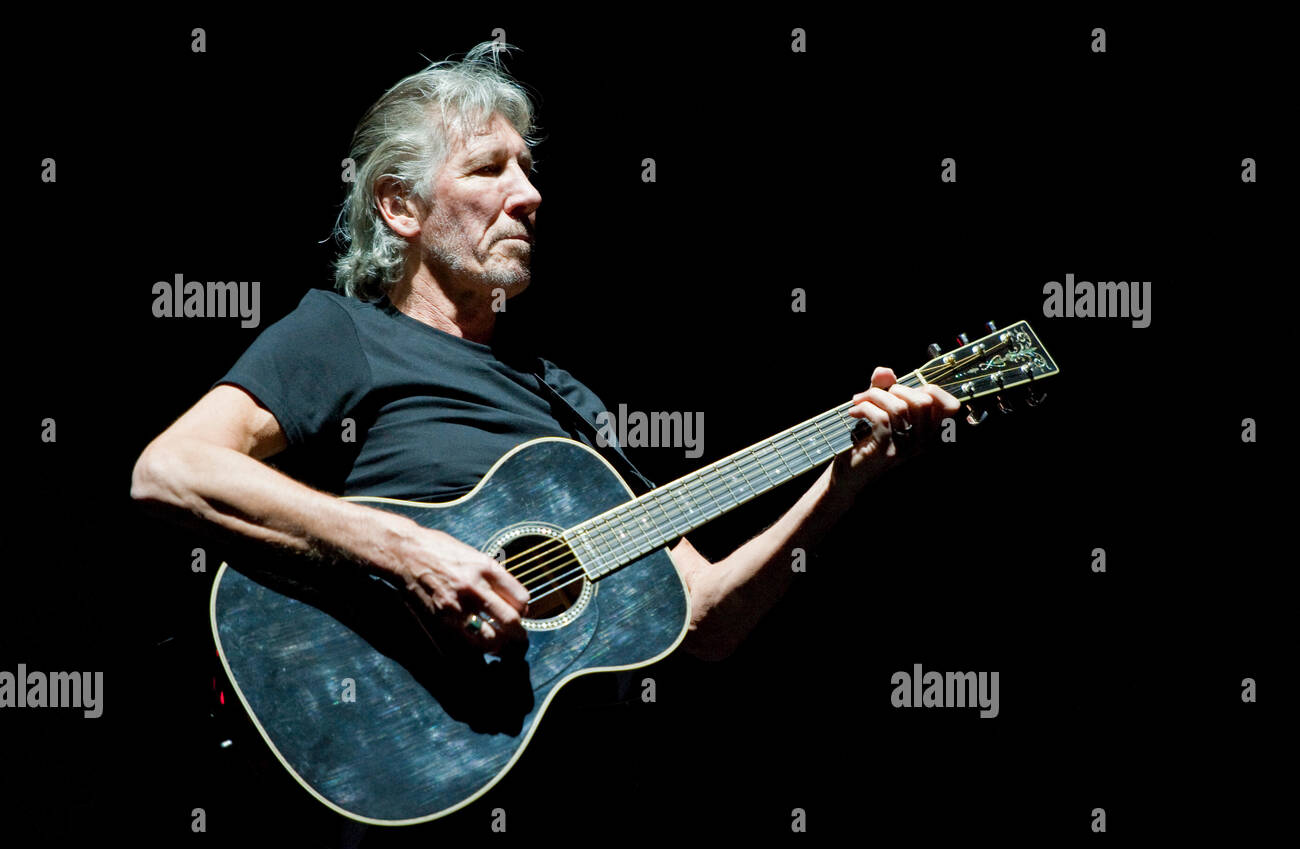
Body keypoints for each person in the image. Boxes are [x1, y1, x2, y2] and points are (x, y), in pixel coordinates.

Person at [130, 42, 961, 663]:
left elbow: (703, 617)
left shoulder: (564, 399)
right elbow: (168, 470)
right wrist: (406, 551)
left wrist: (843, 483)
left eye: (527, 170)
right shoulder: (344, 334)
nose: (529, 196)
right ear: (400, 207)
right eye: (489, 170)